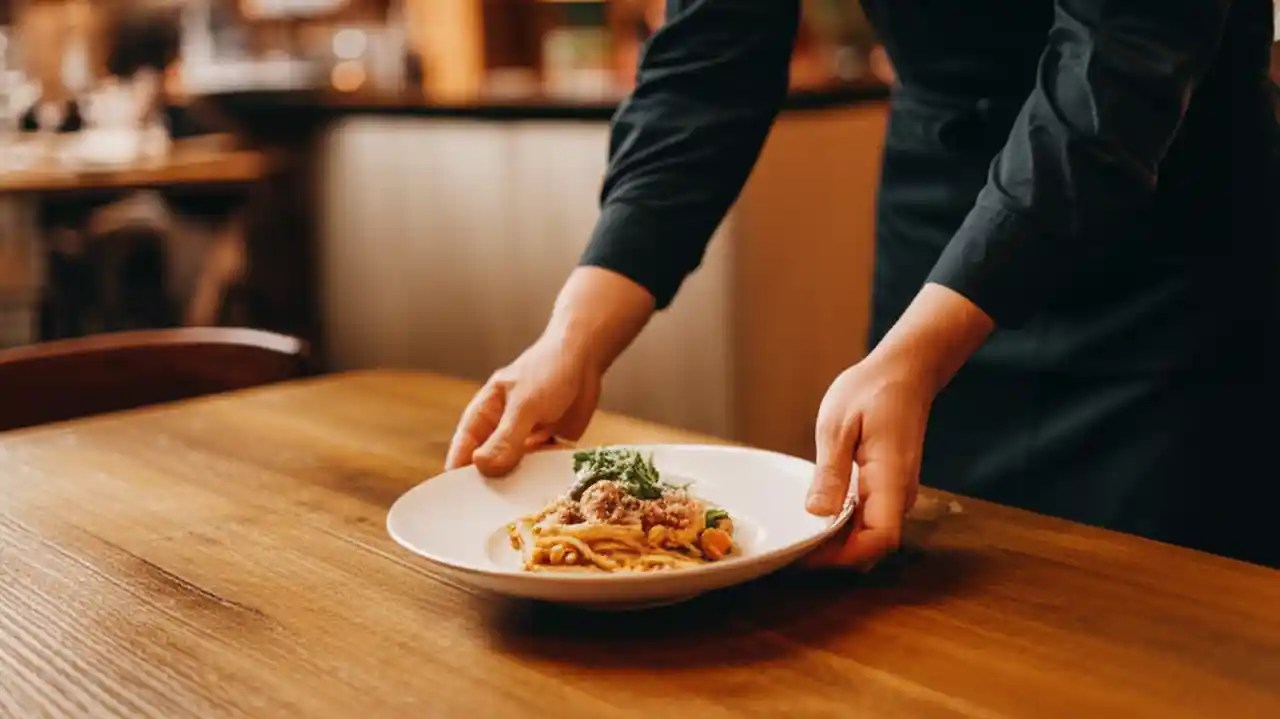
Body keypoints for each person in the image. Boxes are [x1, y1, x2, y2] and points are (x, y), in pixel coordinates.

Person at [448, 1, 1279, 569]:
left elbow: (1120, 66)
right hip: (936, 226)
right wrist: (574, 338)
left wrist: (917, 353)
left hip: (1174, 256)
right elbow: (704, 69)